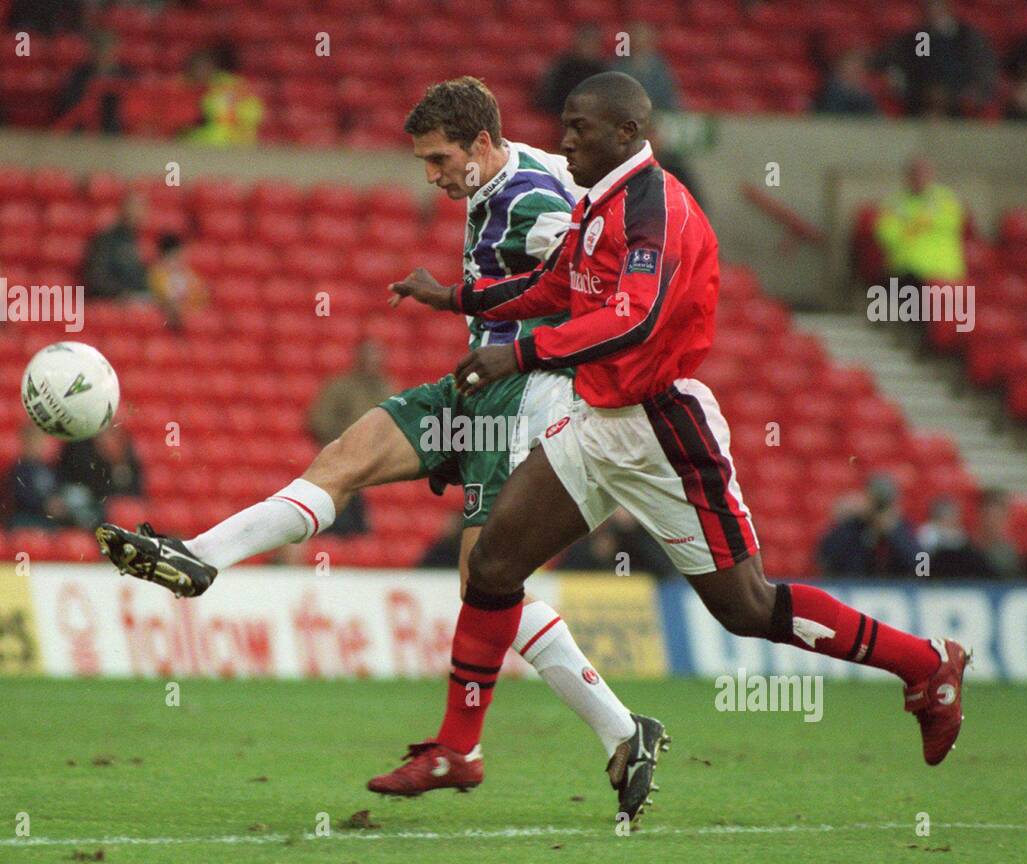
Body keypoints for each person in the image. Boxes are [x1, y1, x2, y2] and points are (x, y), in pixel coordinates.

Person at [387, 73, 971, 825]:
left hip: (662, 429)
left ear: (627, 134)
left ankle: (927, 665)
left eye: (581, 128)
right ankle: (457, 749)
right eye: (564, 125)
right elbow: (554, 286)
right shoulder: (597, 203)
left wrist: (519, 357)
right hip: (597, 421)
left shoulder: (657, 207)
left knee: (747, 607)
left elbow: (632, 320)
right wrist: (458, 300)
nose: (565, 140)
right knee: (493, 567)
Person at [94, 77, 660, 818]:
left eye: (438, 159)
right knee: (345, 458)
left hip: (522, 396)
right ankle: (202, 557)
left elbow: (596, 275)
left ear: (481, 145)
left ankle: (615, 731)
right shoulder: (513, 170)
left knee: (485, 584)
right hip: (474, 384)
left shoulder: (528, 200)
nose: (430, 176)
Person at [305, 339, 394, 536]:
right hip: (342, 455)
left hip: (374, 459)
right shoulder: (339, 387)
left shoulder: (387, 390)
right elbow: (319, 421)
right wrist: (346, 440)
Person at [874, 0, 996, 116]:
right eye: (931, 7)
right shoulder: (919, 38)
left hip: (958, 102)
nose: (934, 11)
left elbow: (981, 68)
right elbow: (916, 66)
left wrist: (961, 94)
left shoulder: (966, 37)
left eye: (938, 6)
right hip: (920, 102)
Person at [874, 157, 966, 287]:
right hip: (903, 271)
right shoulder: (894, 202)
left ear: (931, 174)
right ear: (907, 176)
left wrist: (908, 227)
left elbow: (951, 222)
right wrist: (924, 223)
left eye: (923, 172)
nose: (919, 177)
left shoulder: (945, 198)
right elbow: (886, 233)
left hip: (940, 274)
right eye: (914, 173)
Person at [818, 477, 922, 577]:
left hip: (897, 588)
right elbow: (827, 557)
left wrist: (894, 534)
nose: (878, 509)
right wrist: (866, 534)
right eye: (875, 503)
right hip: (854, 586)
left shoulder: (901, 527)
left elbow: (921, 567)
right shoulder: (853, 525)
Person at [57, 30, 133, 134]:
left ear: (116, 49)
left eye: (108, 49)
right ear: (92, 50)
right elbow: (71, 107)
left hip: (119, 135)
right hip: (83, 134)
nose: (104, 53)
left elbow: (132, 110)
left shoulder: (128, 76)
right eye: (100, 49)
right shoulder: (79, 76)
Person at [183, 49, 264, 147]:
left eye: (199, 69)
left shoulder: (221, 88)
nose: (196, 73)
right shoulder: (233, 83)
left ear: (210, 67)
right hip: (242, 140)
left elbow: (222, 117)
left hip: (223, 140)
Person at [83, 194, 149, 299]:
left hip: (137, 300)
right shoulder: (106, 240)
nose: (137, 215)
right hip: (111, 300)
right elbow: (97, 277)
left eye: (141, 210)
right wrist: (122, 293)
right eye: (133, 210)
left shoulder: (139, 242)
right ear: (122, 211)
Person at [535, 24, 606, 117]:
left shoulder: (602, 70)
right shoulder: (563, 68)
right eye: (586, 43)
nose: (589, 47)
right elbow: (548, 96)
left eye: (593, 43)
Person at [917, 497, 995, 578]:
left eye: (953, 515)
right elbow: (922, 562)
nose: (951, 519)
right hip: (931, 577)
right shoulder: (928, 532)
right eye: (947, 515)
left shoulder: (960, 535)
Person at [611, 22, 680, 112]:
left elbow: (668, 98)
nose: (640, 42)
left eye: (643, 38)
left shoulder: (661, 69)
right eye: (636, 37)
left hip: (655, 116)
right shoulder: (619, 66)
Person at [147, 233, 207, 328]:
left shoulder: (189, 275)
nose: (180, 259)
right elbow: (162, 298)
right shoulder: (157, 274)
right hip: (165, 320)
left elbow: (201, 297)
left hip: (189, 320)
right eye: (175, 255)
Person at [814, 51, 880, 115]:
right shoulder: (827, 93)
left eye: (857, 70)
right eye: (851, 70)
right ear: (840, 71)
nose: (854, 74)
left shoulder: (865, 96)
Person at [973, 489, 1020, 577]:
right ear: (980, 514)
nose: (992, 522)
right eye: (989, 515)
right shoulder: (964, 547)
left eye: (997, 517)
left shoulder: (1008, 553)